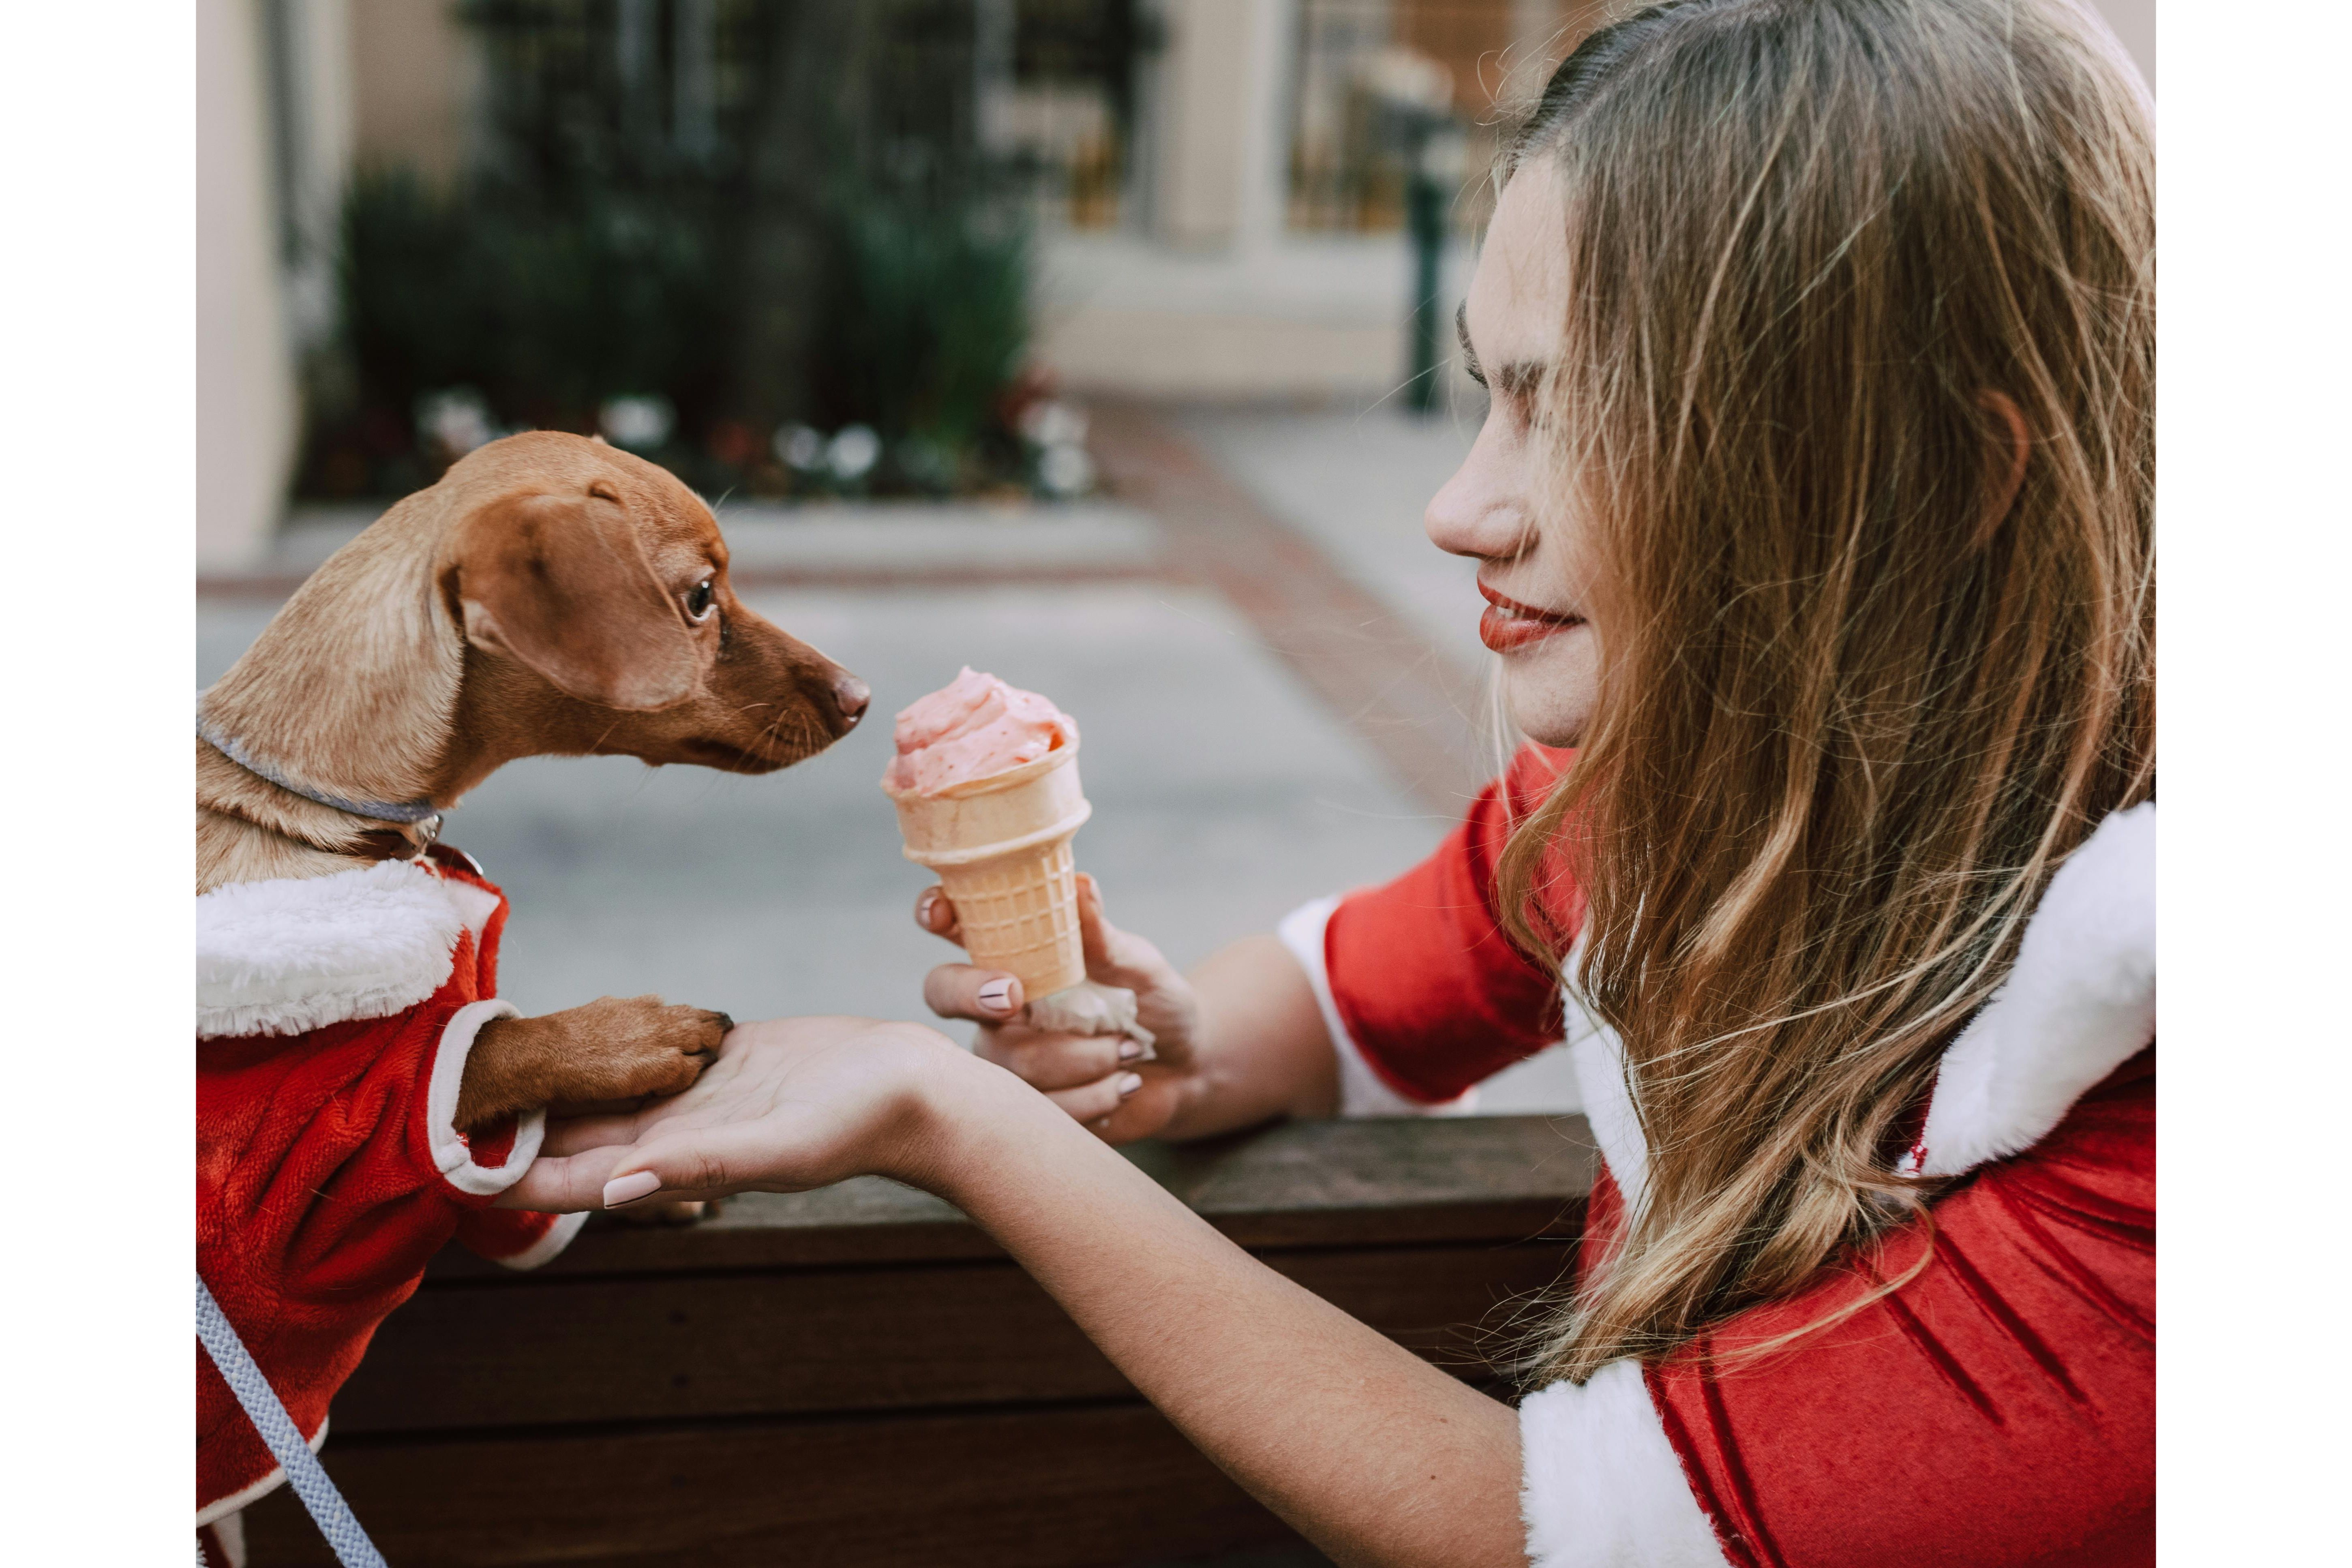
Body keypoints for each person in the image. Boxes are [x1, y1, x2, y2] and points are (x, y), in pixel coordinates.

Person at [509, 1, 2156, 1562]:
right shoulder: (1643, 805)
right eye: (1490, 389)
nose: (1455, 508)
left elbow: (1553, 1534)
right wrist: (1156, 1048)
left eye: (1578, 411)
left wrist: (953, 1117)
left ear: (1950, 478)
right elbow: (1341, 998)